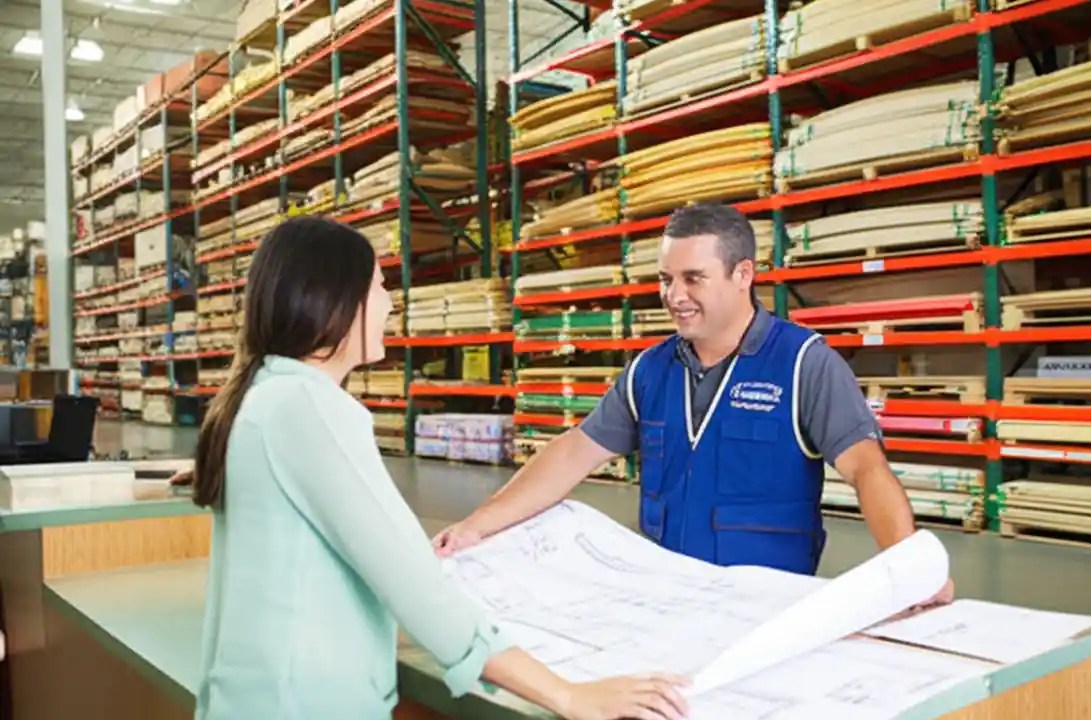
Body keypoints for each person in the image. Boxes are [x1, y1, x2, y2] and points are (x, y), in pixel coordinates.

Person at [188, 216, 688, 720]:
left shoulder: (263, 396)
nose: (389, 303)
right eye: (380, 286)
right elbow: (414, 585)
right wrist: (568, 694)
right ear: (335, 301)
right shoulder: (307, 409)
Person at [434, 204, 955, 603]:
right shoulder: (651, 370)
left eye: (693, 279)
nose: (674, 295)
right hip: (666, 598)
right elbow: (574, 452)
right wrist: (479, 524)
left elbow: (867, 469)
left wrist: (911, 569)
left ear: (743, 274)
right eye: (665, 279)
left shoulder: (803, 366)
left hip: (765, 605)